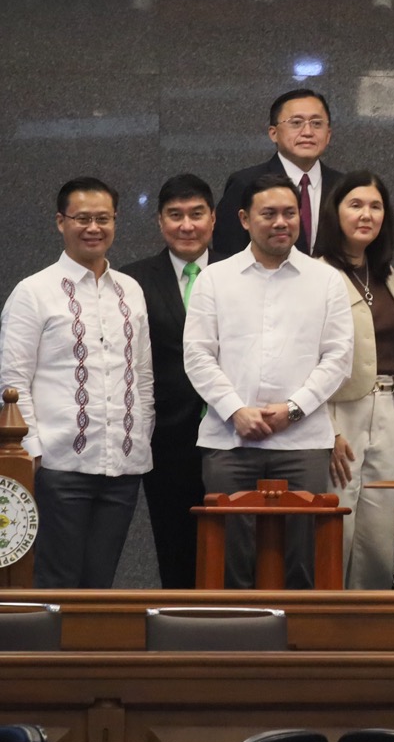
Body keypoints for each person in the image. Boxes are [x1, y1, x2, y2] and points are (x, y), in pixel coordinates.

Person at [184, 173, 353, 589]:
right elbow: (198, 355)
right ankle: (233, 647)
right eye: (269, 213)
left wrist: (292, 409)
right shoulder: (214, 279)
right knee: (229, 559)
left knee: (303, 557)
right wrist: (235, 410)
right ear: (244, 219)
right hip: (229, 439)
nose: (281, 222)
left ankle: (300, 649)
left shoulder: (326, 280)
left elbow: (338, 357)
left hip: (303, 441)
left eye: (289, 213)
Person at [0, 177, 153, 588]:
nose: (93, 227)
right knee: (58, 580)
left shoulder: (131, 291)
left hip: (122, 466)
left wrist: (140, 436)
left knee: (101, 583)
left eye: (103, 218)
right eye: (82, 218)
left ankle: (91, 654)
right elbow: (12, 381)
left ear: (115, 222)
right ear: (60, 222)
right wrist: (31, 456)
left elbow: (142, 377)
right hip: (58, 464)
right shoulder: (33, 292)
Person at [119, 174, 224, 589]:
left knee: (236, 548)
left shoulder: (241, 270)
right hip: (168, 439)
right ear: (160, 222)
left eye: (196, 214)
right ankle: (181, 641)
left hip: (237, 434)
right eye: (175, 215)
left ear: (213, 219)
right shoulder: (132, 281)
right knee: (176, 549)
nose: (187, 225)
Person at [313, 171, 394, 590]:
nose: (366, 214)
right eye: (355, 205)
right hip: (336, 412)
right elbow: (302, 359)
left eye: (375, 206)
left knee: (379, 529)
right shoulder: (313, 274)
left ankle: (368, 625)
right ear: (335, 213)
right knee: (339, 522)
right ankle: (324, 627)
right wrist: (326, 431)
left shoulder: (386, 274)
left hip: (386, 406)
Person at [212, 89, 343, 256]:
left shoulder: (344, 187)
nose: (308, 132)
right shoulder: (245, 183)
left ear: (328, 135)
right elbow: (228, 253)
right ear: (273, 133)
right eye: (296, 123)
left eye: (317, 123)